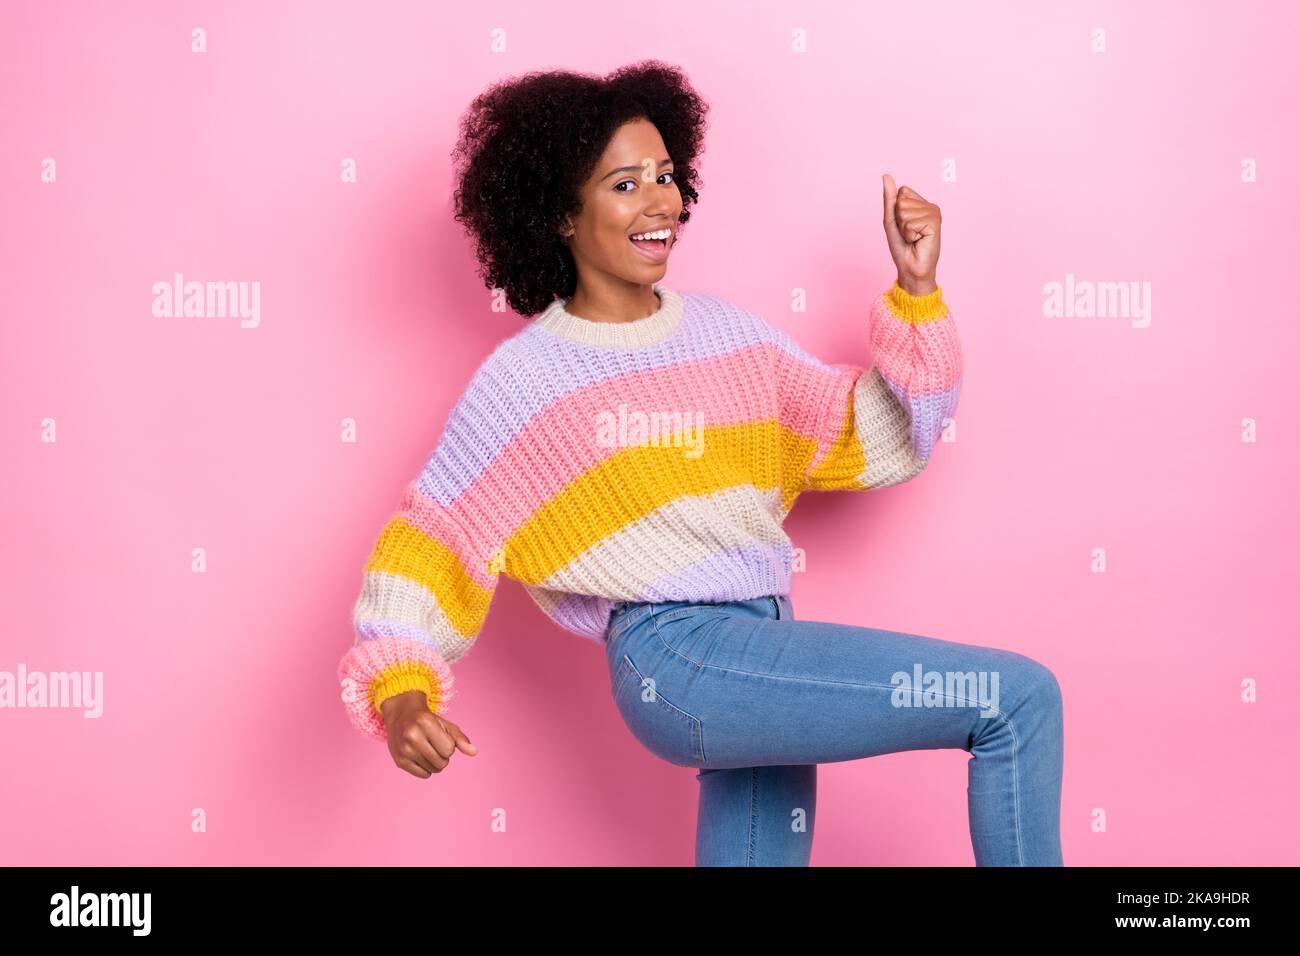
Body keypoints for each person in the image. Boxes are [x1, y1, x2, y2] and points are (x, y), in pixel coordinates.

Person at [337, 60, 1064, 867]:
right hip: (681, 659)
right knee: (1015, 699)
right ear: (559, 217)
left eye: (667, 176)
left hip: (763, 649)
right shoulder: (525, 385)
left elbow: (883, 432)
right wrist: (402, 693)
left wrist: (916, 291)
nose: (661, 203)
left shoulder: (730, 337)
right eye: (624, 184)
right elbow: (434, 539)